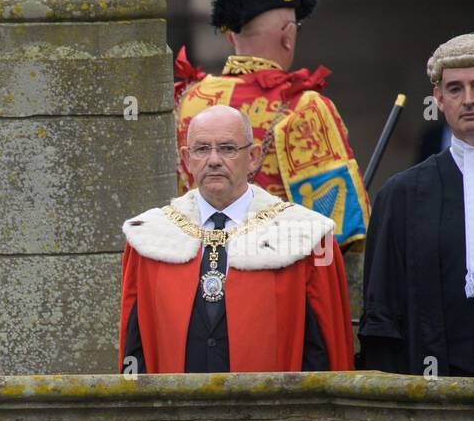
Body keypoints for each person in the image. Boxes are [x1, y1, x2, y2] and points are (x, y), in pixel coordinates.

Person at [119, 105, 353, 373]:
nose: (214, 160)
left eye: (228, 148)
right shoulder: (150, 236)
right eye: (202, 149)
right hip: (177, 410)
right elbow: (134, 348)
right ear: (186, 159)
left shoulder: (308, 236)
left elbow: (326, 350)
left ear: (253, 157)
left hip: (272, 410)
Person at [174, 0, 369, 252]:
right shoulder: (305, 107)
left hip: (196, 278)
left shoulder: (186, 99)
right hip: (274, 286)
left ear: (230, 36)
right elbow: (337, 236)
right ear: (288, 35)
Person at [359, 34, 474, 376]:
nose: (469, 100)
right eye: (455, 89)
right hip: (433, 393)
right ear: (439, 100)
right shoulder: (401, 196)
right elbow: (381, 317)